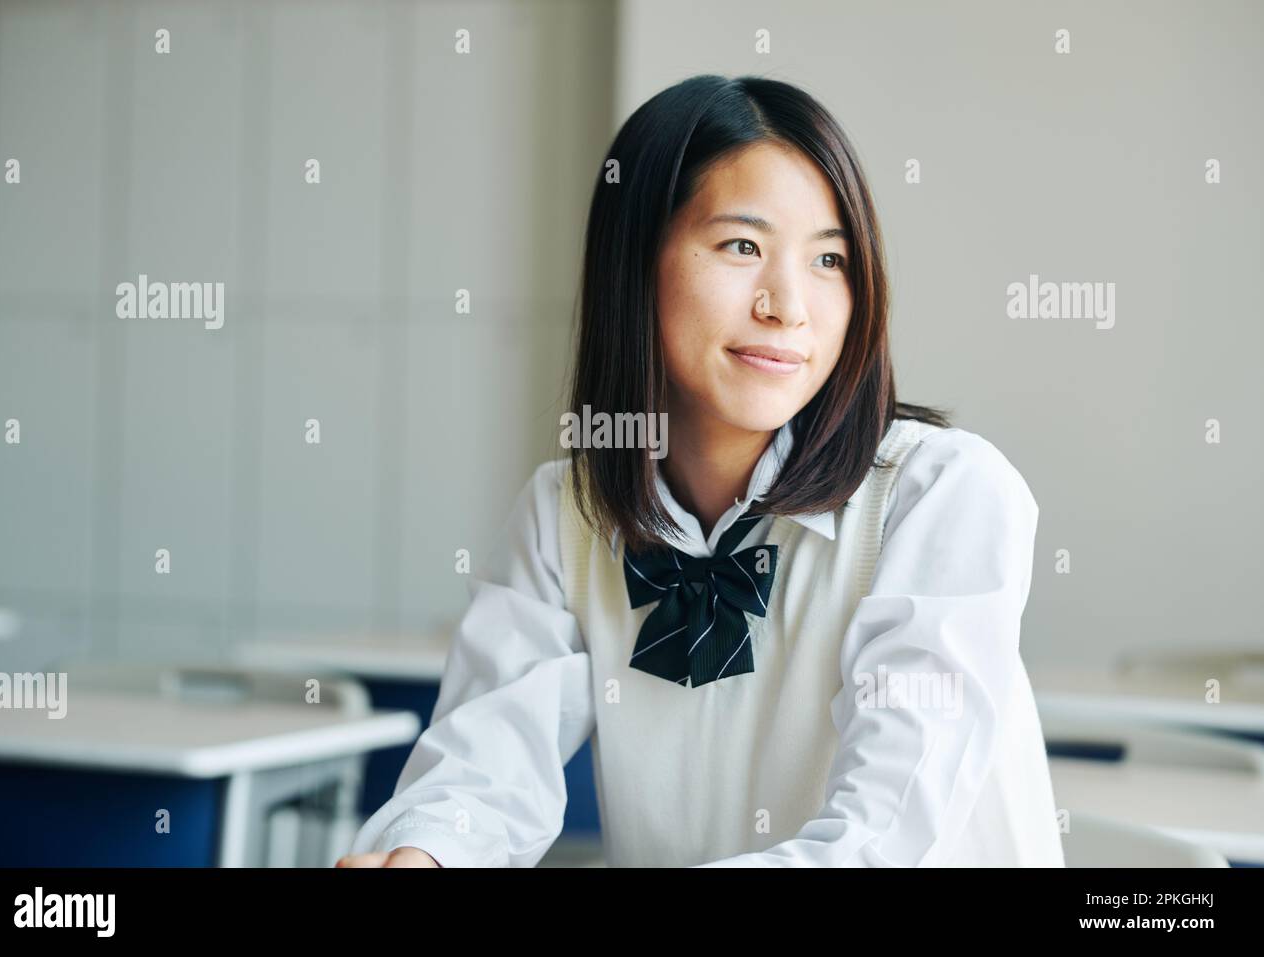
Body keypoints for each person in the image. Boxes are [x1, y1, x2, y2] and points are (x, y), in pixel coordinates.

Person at [337, 74, 1063, 868]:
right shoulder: (566, 511)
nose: (788, 305)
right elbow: (484, 768)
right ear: (634, 264)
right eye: (743, 246)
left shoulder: (943, 491)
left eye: (830, 259)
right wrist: (428, 853)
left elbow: (882, 841)